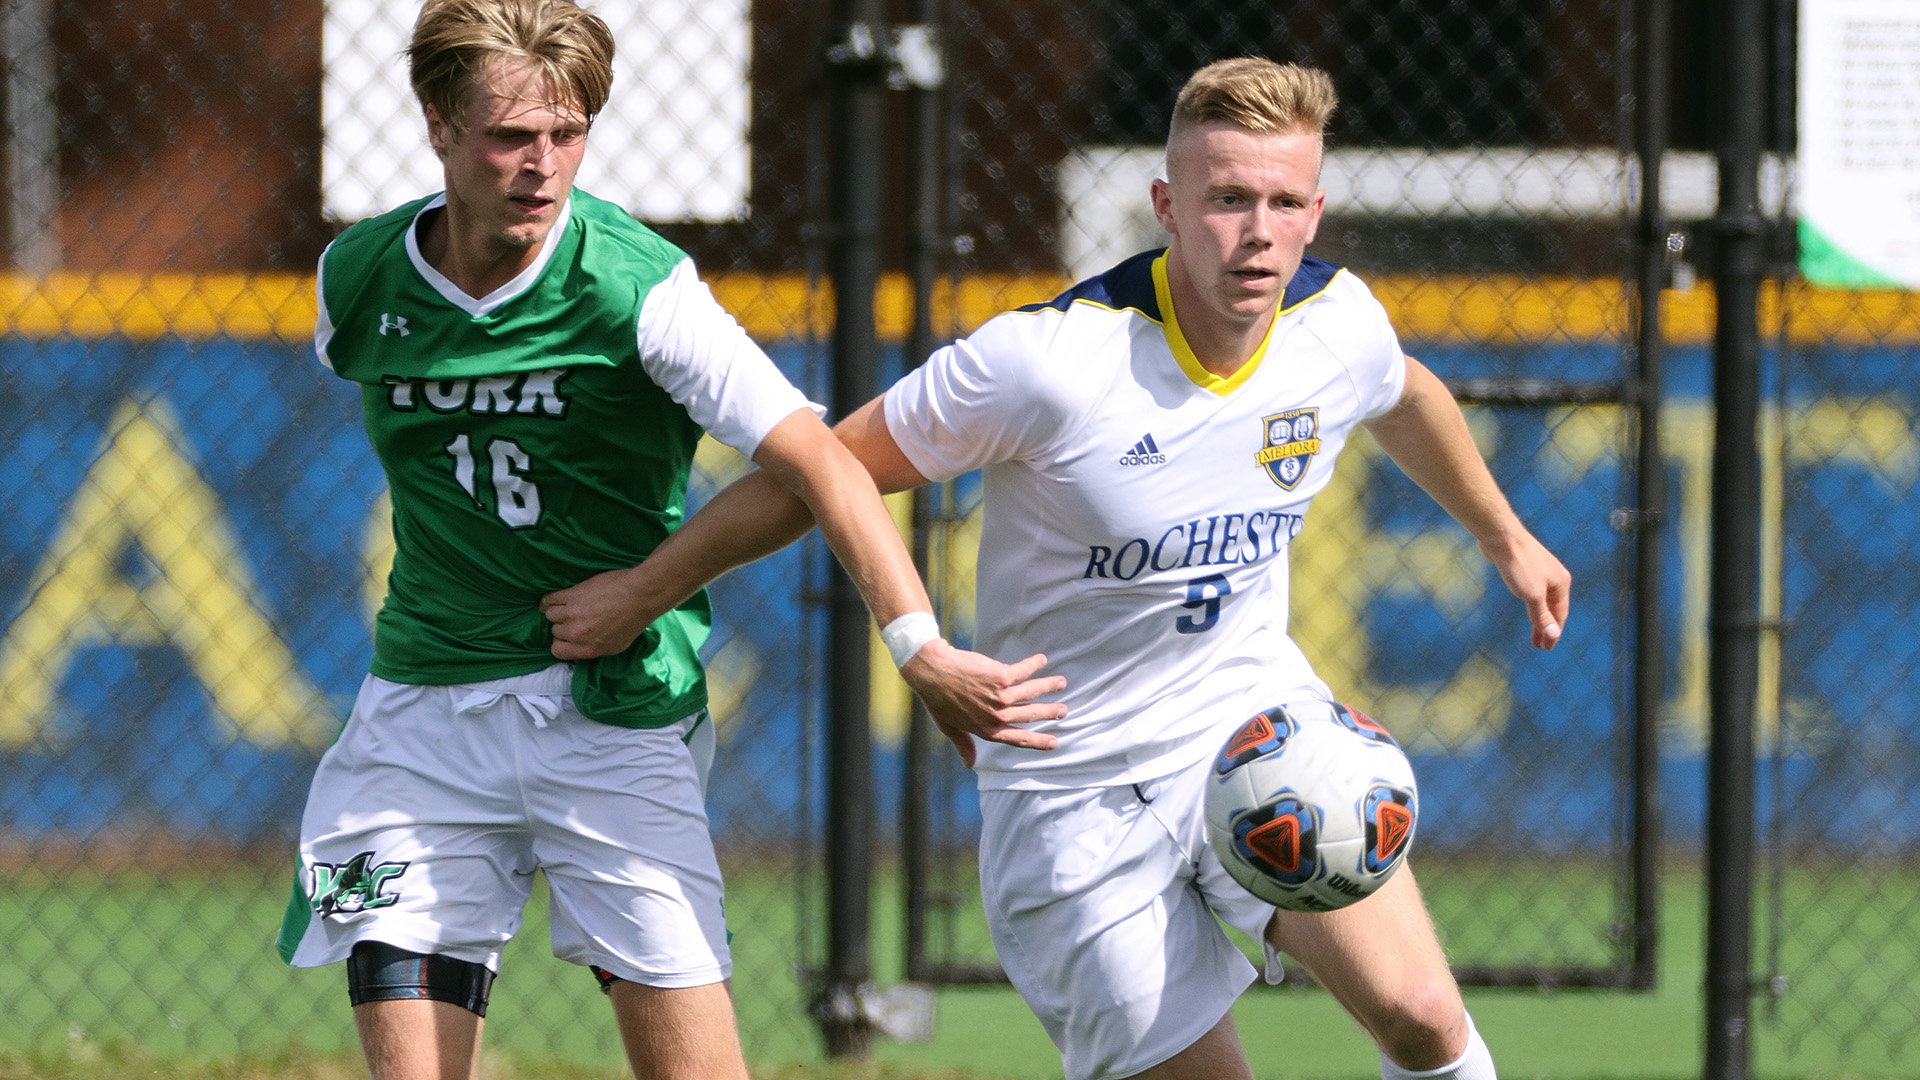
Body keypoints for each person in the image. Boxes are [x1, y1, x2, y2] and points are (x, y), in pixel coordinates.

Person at [550, 57, 1571, 1080]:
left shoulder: (1338, 325)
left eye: (1283, 202)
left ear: (1316, 212)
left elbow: (1406, 391)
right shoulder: (1047, 363)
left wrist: (1505, 536)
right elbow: (817, 469)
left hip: (1252, 733)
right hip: (1069, 791)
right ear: (1167, 206)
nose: (1257, 231)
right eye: (1226, 199)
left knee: (1425, 1019)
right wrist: (652, 593)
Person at [274, 3, 1063, 1079]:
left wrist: (917, 647)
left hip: (610, 713)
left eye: (568, 133)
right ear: (438, 125)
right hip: (421, 712)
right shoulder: (358, 279)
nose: (543, 166)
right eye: (511, 136)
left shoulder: (637, 288)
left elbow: (824, 462)